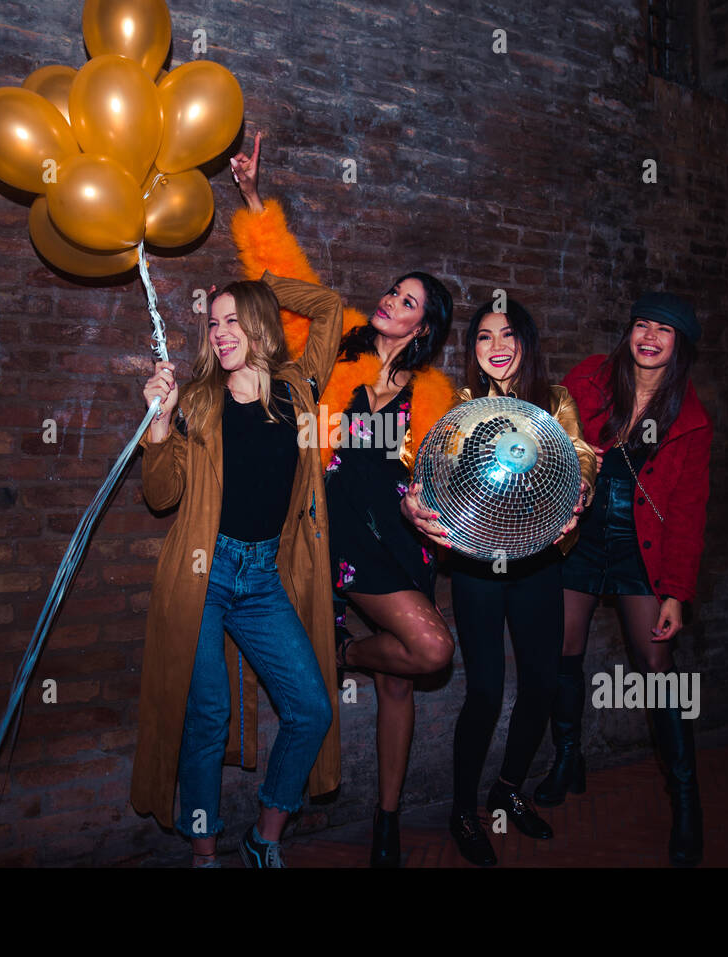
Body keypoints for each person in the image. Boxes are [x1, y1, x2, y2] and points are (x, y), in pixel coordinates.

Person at [229, 132, 459, 867]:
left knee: (403, 684)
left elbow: (443, 476)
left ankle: (387, 819)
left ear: (423, 328)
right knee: (431, 647)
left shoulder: (432, 393)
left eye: (409, 301)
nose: (392, 300)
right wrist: (253, 198)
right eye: (394, 291)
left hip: (401, 540)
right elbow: (283, 279)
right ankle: (344, 651)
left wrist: (441, 517)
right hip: (335, 536)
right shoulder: (344, 347)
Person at [129, 270, 346, 868]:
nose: (220, 334)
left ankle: (265, 837)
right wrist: (160, 422)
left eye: (233, 320)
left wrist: (263, 285)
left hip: (262, 579)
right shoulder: (198, 398)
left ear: (258, 324)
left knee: (311, 709)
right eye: (214, 323)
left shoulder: (298, 390)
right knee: (208, 718)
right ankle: (204, 854)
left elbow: (328, 307)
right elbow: (161, 495)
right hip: (204, 574)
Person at [399, 299, 598, 866]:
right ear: (474, 351)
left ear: (525, 342)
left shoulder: (553, 401)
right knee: (485, 692)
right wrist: (414, 504)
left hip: (538, 563)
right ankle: (463, 810)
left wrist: (579, 490)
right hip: (477, 566)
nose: (496, 345)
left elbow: (580, 454)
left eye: (507, 334)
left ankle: (508, 788)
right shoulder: (456, 408)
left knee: (540, 684)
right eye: (484, 337)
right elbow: (423, 467)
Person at [537, 292, 712, 866]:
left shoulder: (689, 417)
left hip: (642, 552)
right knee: (563, 651)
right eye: (642, 324)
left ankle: (685, 799)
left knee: (657, 670)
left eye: (664, 329)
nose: (649, 337)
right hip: (580, 541)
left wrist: (677, 595)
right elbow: (549, 447)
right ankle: (568, 756)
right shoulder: (589, 379)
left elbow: (688, 511)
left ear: (679, 344)